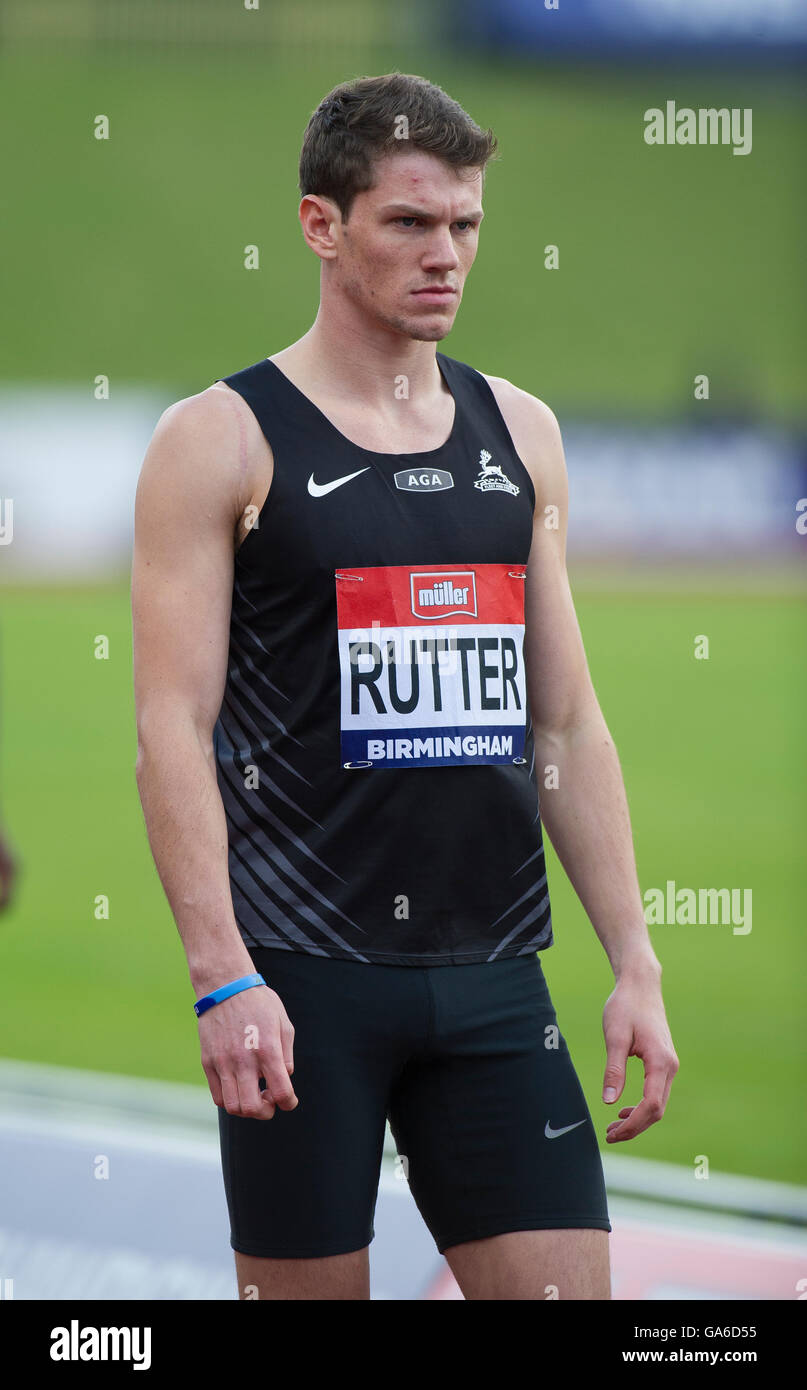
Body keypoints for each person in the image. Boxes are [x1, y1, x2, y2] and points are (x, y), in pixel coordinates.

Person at [132, 73, 678, 1301]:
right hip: (300, 988)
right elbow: (171, 726)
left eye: (466, 225)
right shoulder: (220, 441)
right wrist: (223, 975)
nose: (447, 255)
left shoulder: (518, 431)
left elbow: (567, 721)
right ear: (323, 225)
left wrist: (633, 959)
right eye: (410, 223)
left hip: (496, 981)